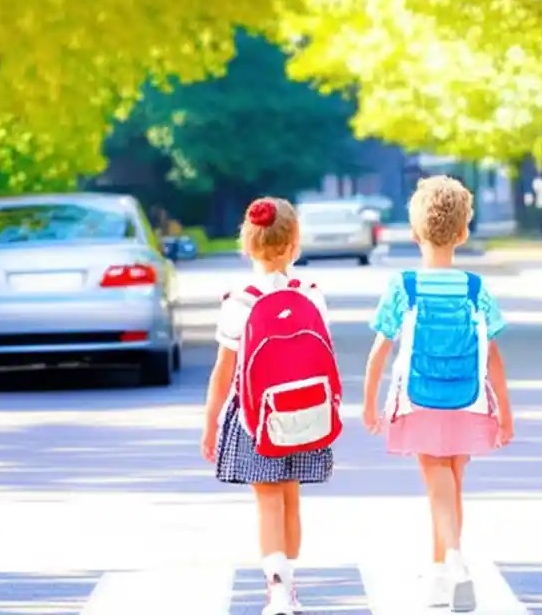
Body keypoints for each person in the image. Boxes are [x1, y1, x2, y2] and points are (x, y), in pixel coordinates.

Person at [362, 175, 515, 612]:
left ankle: (454, 561)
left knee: (436, 480)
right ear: (464, 233)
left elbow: (379, 352)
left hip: (419, 398)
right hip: (468, 397)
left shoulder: (404, 286)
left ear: (414, 233)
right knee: (452, 483)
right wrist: (505, 412)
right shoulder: (474, 288)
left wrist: (369, 403)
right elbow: (494, 355)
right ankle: (440, 575)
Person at [201, 197, 334, 615]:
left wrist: (210, 424)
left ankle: (275, 588)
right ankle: (289, 585)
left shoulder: (239, 300)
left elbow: (224, 370)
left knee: (268, 501)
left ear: (247, 244)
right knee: (292, 500)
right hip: (305, 414)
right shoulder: (311, 294)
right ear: (294, 244)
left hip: (255, 418)